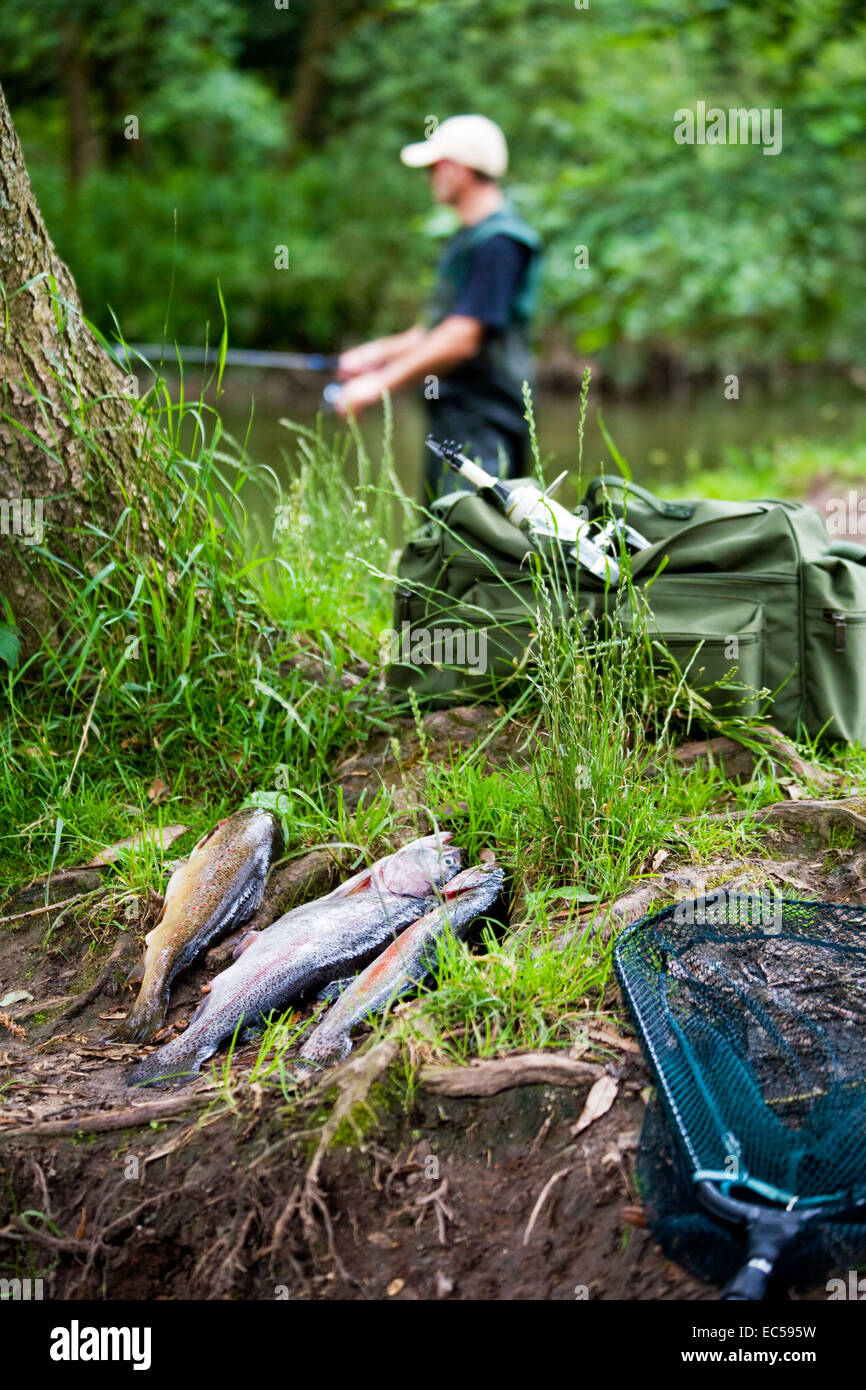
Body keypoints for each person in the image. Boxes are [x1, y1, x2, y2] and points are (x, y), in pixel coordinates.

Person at [335, 114, 542, 498]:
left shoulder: (500, 243)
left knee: (471, 545)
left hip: (484, 423)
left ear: (459, 170)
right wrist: (375, 354)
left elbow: (462, 338)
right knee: (439, 540)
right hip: (454, 420)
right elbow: (439, 329)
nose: (430, 177)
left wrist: (377, 385)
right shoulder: (469, 239)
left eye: (434, 167)